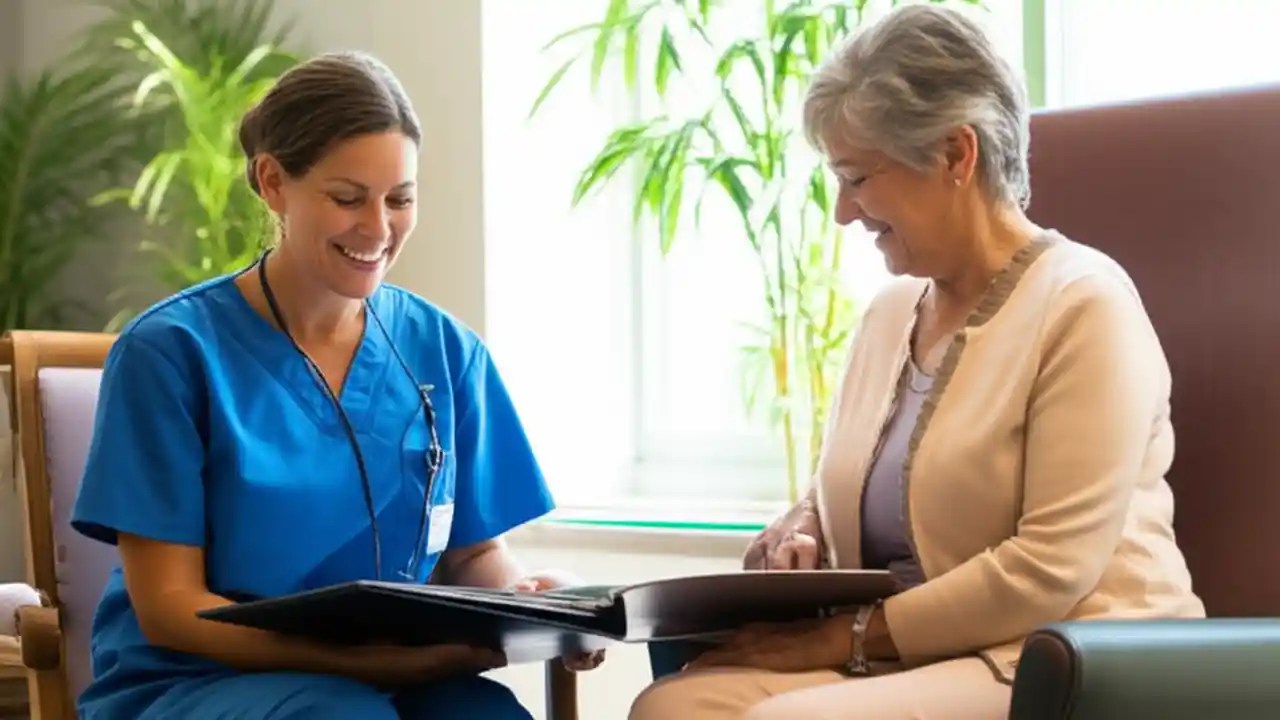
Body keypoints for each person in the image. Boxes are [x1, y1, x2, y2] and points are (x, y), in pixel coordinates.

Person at [629, 5, 1205, 719]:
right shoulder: (889, 315)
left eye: (857, 178)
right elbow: (860, 491)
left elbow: (1048, 569)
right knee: (673, 707)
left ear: (955, 155)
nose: (842, 212)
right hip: (909, 659)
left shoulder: (1085, 306)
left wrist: (843, 638)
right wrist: (803, 529)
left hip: (1062, 656)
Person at [70, 51, 601, 720]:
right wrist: (356, 664)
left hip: (397, 675)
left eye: (400, 199)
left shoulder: (444, 349)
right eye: (348, 198)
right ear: (272, 182)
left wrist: (534, 600)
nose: (378, 229)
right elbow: (171, 610)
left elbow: (475, 555)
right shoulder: (169, 355)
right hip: (195, 682)